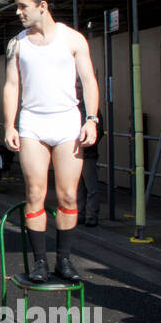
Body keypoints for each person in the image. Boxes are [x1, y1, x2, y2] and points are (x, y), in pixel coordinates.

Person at [3, 0, 100, 283]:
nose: (18, 12)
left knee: (68, 195)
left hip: (67, 122)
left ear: (42, 6)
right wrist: (10, 124)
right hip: (32, 122)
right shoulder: (16, 44)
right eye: (17, 7)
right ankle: (39, 262)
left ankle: (65, 261)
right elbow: (11, 86)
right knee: (35, 193)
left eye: (23, 7)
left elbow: (89, 79)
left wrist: (92, 119)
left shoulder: (73, 39)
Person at [75, 80, 103, 227]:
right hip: (75, 154)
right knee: (79, 186)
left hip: (87, 154)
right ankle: (81, 214)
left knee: (90, 186)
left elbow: (99, 131)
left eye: (79, 88)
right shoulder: (73, 107)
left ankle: (91, 216)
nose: (76, 90)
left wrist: (88, 144)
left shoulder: (90, 110)